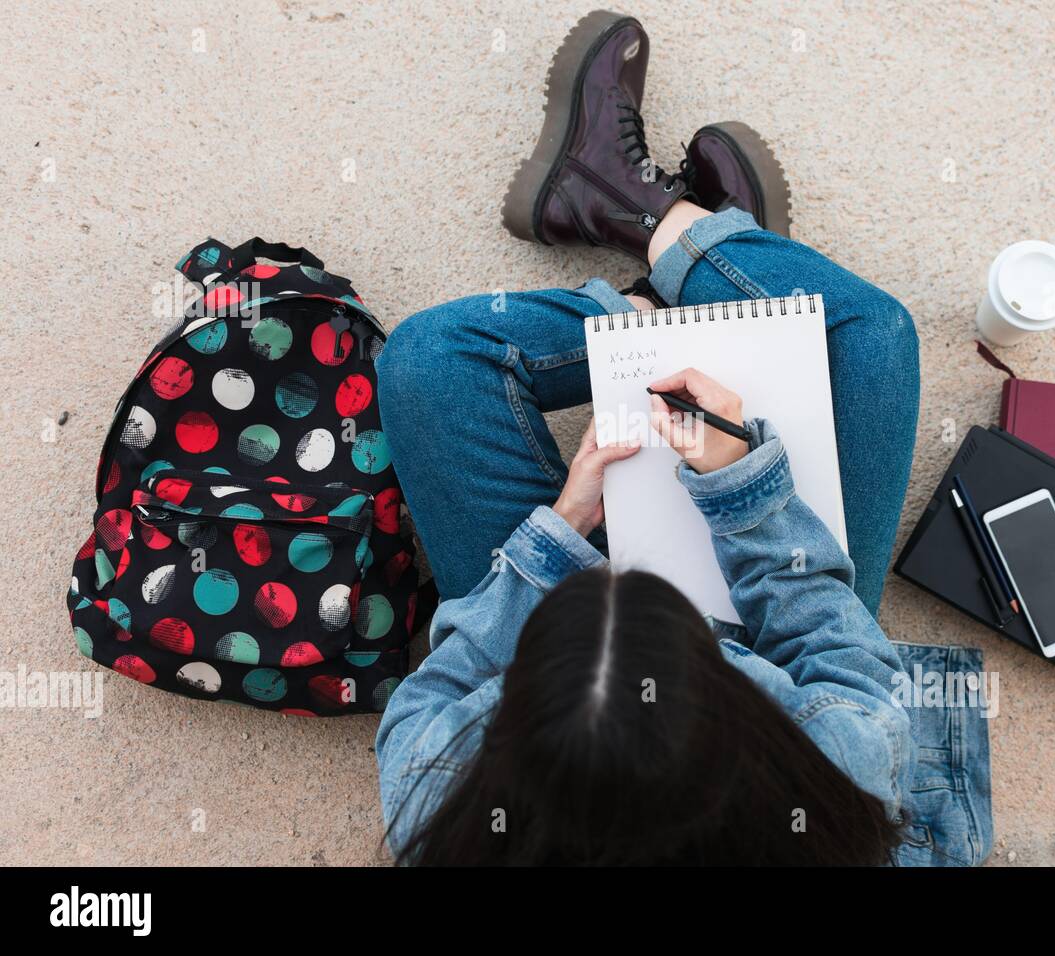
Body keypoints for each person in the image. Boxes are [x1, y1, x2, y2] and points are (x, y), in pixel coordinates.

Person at [374, 10, 992, 865]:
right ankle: (669, 232)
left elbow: (425, 701)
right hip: (772, 703)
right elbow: (830, 649)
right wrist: (746, 498)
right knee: (868, 333)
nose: (621, 567)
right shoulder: (833, 764)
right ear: (732, 704)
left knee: (428, 360)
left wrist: (561, 533)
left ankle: (658, 262)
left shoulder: (443, 802)